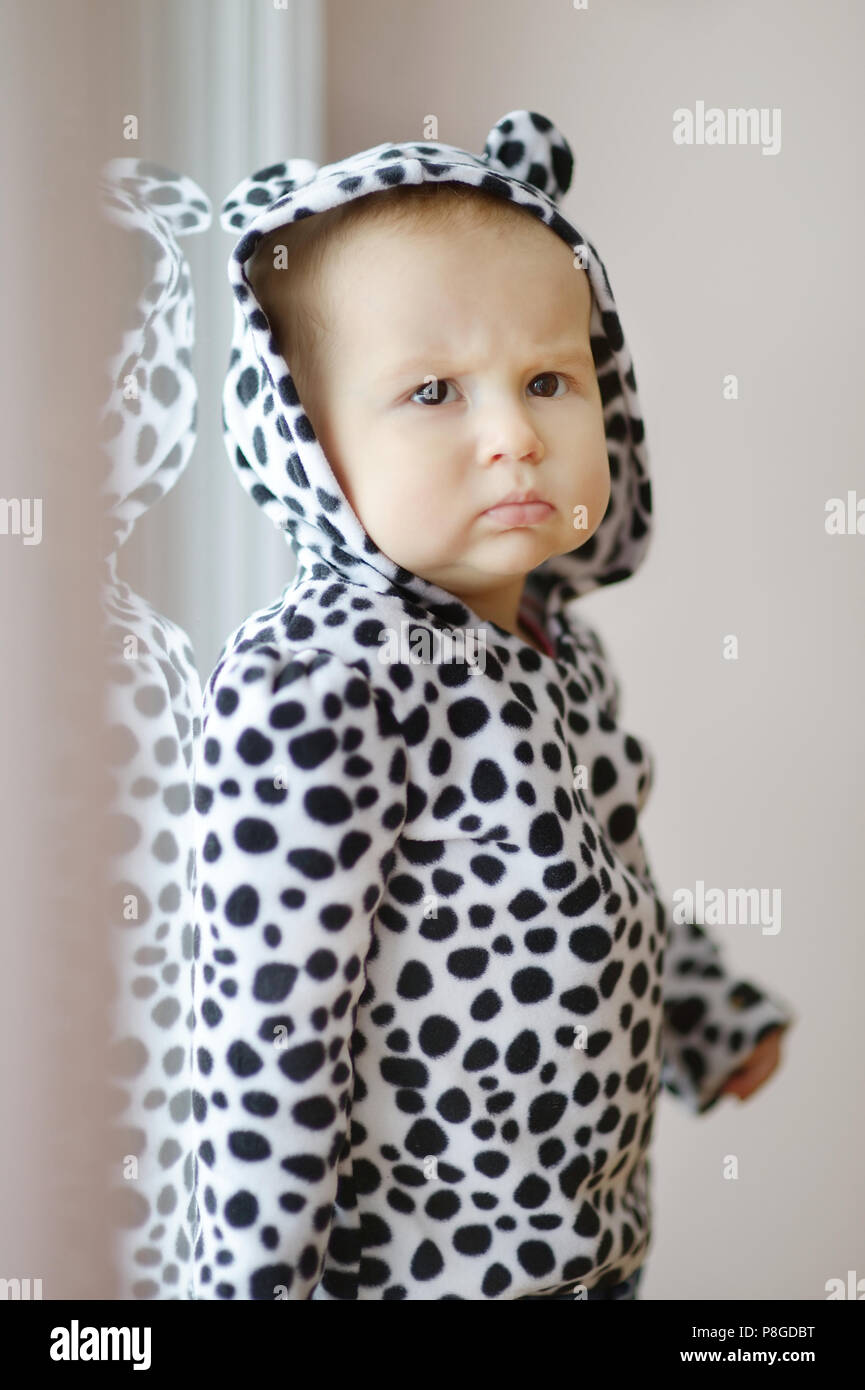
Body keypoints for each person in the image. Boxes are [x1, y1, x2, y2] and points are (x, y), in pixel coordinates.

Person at [190, 109, 794, 1301]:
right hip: (411, 1271)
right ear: (309, 443)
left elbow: (605, 877)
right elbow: (265, 1033)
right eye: (432, 392)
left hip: (589, 1247)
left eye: (547, 380)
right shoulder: (317, 680)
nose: (513, 436)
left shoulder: (556, 648)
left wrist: (705, 1011)